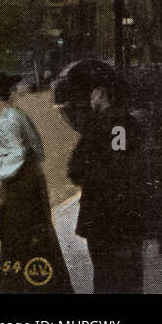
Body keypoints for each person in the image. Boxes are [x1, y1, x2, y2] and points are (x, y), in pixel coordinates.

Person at [0, 73, 72, 293]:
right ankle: (48, 279)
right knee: (38, 228)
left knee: (18, 229)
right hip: (32, 179)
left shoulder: (3, 119)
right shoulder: (18, 114)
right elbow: (36, 150)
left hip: (19, 184)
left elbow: (17, 153)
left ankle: (20, 284)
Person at [66, 63, 145, 293]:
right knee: (130, 276)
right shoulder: (129, 122)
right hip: (128, 215)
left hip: (103, 217)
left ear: (99, 93)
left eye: (89, 93)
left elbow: (78, 169)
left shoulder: (101, 124)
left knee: (106, 276)